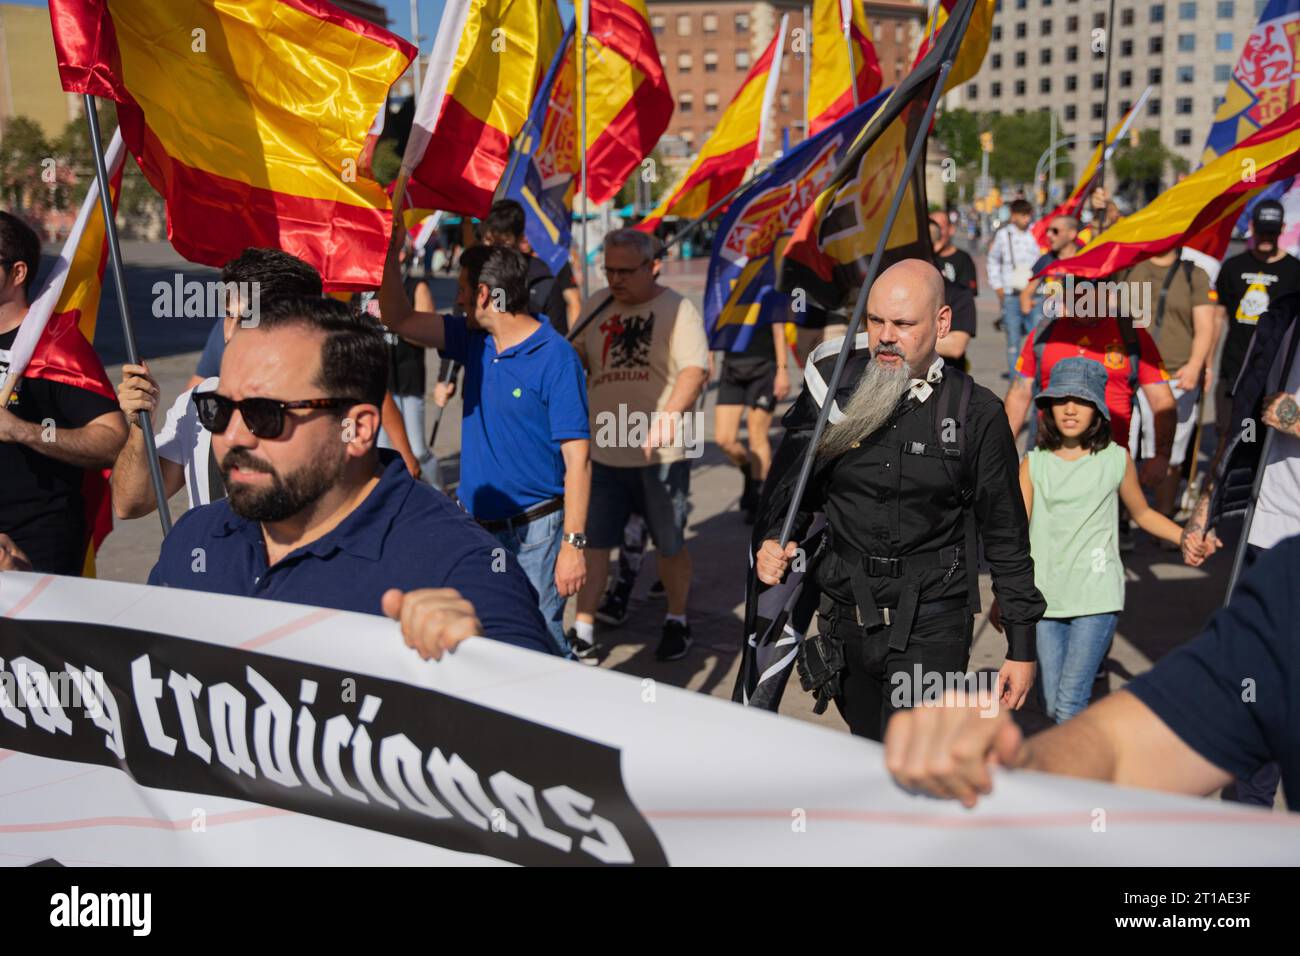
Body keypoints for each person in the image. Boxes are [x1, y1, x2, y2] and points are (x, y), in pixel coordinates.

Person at [148, 295, 553, 658]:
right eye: (217, 410)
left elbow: (543, 720)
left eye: (264, 415)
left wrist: (479, 662)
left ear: (357, 429)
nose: (231, 437)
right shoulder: (193, 540)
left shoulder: (460, 571)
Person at [752, 260, 1045, 741]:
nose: (885, 336)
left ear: (942, 324)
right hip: (844, 618)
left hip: (933, 622)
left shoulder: (977, 413)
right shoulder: (832, 394)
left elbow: (1007, 536)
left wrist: (1021, 645)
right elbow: (797, 491)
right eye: (875, 321)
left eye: (903, 324)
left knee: (910, 762)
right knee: (865, 755)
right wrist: (773, 539)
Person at [884, 532, 1300, 812]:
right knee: (1063, 702)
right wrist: (1017, 764)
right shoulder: (1289, 585)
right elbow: (1118, 748)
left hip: (1094, 603)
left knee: (1070, 696)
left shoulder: (1112, 462)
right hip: (1052, 604)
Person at [377, 236, 592, 659]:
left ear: (484, 295)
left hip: (539, 532)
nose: (455, 300)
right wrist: (390, 245)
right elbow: (397, 318)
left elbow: (579, 460)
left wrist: (573, 546)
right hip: (477, 528)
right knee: (486, 638)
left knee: (541, 638)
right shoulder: (472, 339)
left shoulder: (557, 357)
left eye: (460, 289)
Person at [1000, 358, 1193, 724]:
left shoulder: (1116, 459)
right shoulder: (1034, 463)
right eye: (1061, 399)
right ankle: (1079, 766)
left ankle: (1068, 778)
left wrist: (1186, 537)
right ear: (1048, 408)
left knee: (1070, 704)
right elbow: (1015, 535)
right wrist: (1005, 595)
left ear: (1098, 410)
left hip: (1096, 596)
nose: (1071, 409)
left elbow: (1143, 514)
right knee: (1051, 702)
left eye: (1082, 400)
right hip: (1045, 599)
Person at [570, 229, 710, 663]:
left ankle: (676, 620)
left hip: (661, 454)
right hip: (604, 452)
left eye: (625, 271)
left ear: (653, 266)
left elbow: (694, 371)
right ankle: (583, 629)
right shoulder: (597, 307)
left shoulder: (677, 309)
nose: (614, 279)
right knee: (594, 545)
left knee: (669, 544)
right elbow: (574, 361)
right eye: (608, 270)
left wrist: (668, 418)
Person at [114, 249, 326, 519]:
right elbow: (131, 503)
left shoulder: (323, 411)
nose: (230, 333)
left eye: (248, 318)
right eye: (228, 315)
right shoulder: (198, 401)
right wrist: (139, 426)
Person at [0, 212, 127, 574]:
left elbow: (112, 440)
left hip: (35, 546)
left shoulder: (54, 348)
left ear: (17, 273)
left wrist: (19, 431)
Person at [1004, 275, 1176, 489]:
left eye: (1091, 287)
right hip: (1050, 466)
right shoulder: (1045, 332)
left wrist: (1161, 455)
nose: (1081, 294)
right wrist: (1001, 452)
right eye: (1072, 286)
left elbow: (1162, 400)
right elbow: (1019, 395)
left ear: (1107, 292)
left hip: (1110, 470)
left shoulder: (1131, 334)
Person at [1122, 247, 1217, 517]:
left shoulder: (1194, 273)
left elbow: (1205, 326)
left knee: (1170, 452)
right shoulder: (1130, 267)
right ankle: (1125, 518)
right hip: (1130, 373)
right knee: (1121, 448)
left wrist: (1196, 365)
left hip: (1176, 375)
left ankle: (1161, 517)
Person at [1211, 199, 1300, 435]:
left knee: (1257, 437)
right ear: (1252, 227)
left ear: (1282, 229)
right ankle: (1219, 471)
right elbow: (1217, 316)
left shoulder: (1295, 270)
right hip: (1234, 364)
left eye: (1271, 232)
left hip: (1274, 369)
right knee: (1226, 431)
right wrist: (1208, 363)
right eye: (1261, 231)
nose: (1266, 238)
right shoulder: (1232, 266)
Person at [714, 323, 792, 523]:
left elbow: (778, 330)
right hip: (731, 367)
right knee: (724, 439)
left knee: (757, 434)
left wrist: (782, 371)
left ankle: (759, 496)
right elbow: (714, 318)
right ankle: (749, 468)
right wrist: (709, 354)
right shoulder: (724, 290)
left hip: (764, 367)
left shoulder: (767, 291)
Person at [480, 199, 557, 326]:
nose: (494, 250)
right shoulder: (473, 272)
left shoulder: (541, 280)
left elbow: (556, 335)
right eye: (488, 240)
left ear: (520, 239)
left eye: (503, 244)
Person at [986, 198, 1040, 378]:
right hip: (1011, 294)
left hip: (1035, 294)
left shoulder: (1036, 233)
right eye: (1023, 215)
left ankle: (1035, 375)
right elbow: (993, 260)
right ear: (1014, 216)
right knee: (1013, 340)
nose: (1027, 219)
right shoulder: (1003, 235)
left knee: (1036, 336)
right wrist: (998, 286)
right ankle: (1016, 379)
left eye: (1028, 215)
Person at [1018, 215, 1079, 324]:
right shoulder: (1046, 259)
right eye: (1048, 230)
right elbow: (1027, 292)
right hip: (1050, 324)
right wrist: (1029, 304)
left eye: (1055, 231)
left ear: (1071, 234)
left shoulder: (1085, 258)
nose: (1049, 235)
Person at [929, 210, 977, 294]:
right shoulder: (923, 257)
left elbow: (967, 294)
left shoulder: (963, 258)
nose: (935, 234)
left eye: (940, 228)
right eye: (931, 228)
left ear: (951, 229)